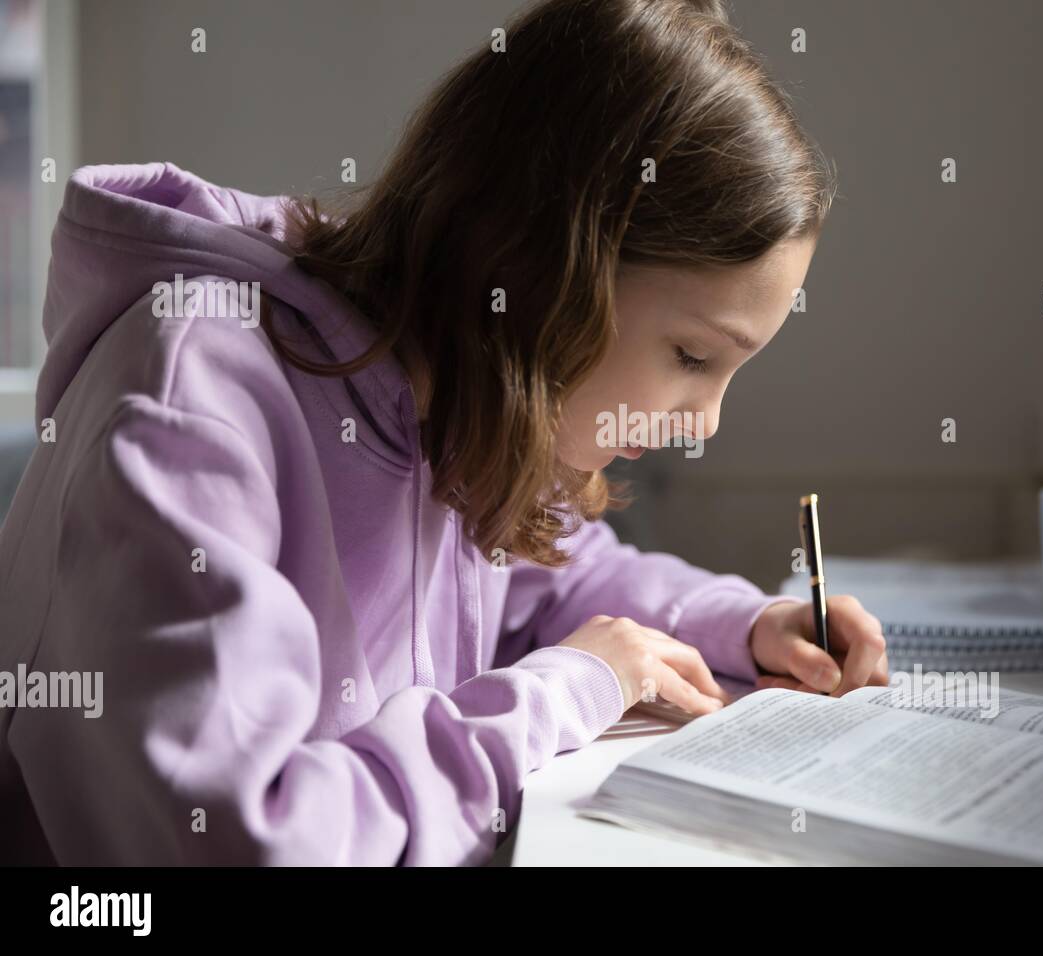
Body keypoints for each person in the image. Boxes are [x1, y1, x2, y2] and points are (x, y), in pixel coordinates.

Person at [0, 0, 886, 865]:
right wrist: (561, 694)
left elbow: (564, 574)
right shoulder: (190, 402)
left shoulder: (456, 388)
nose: (707, 421)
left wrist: (748, 624)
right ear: (540, 267)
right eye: (693, 354)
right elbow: (242, 837)